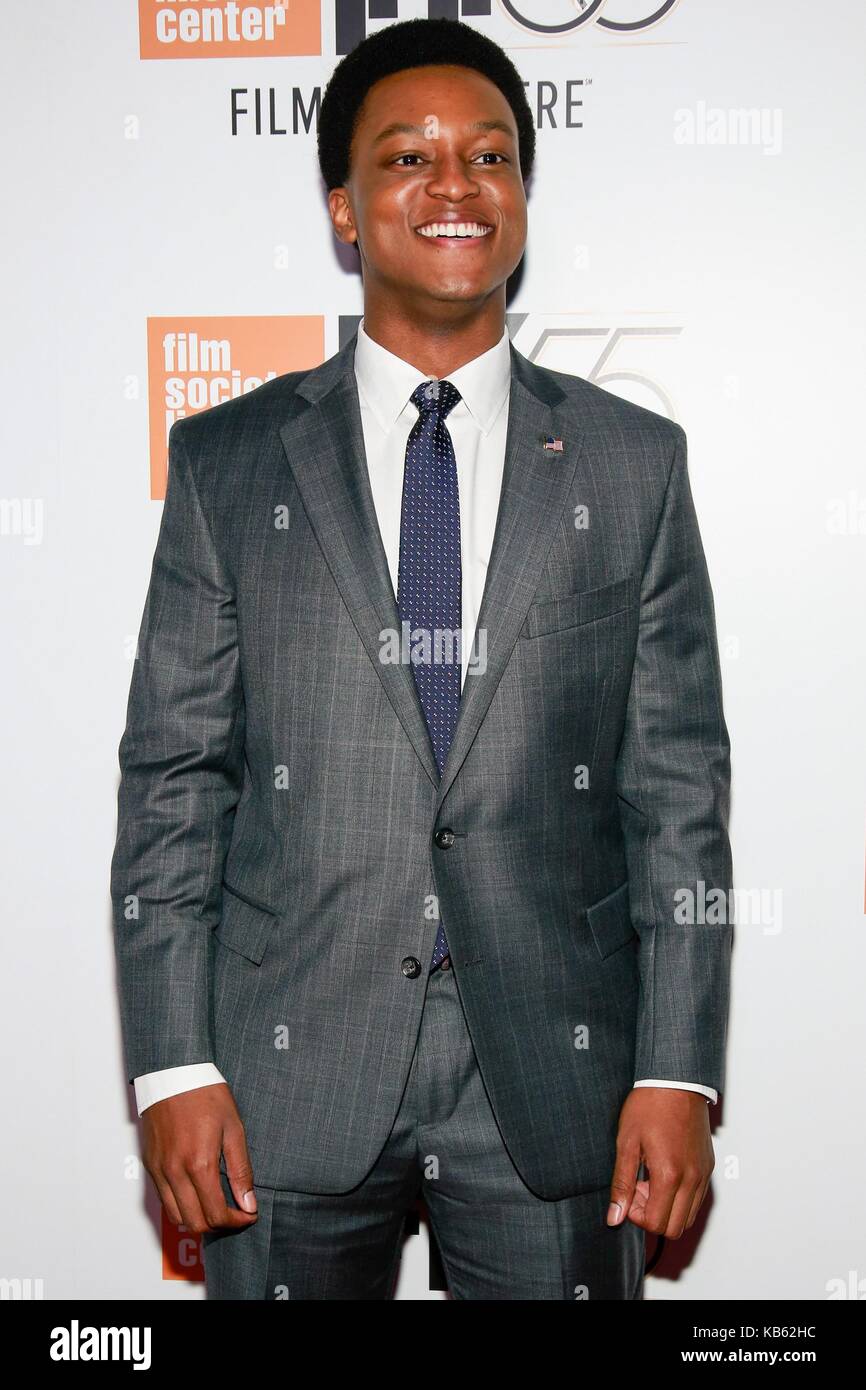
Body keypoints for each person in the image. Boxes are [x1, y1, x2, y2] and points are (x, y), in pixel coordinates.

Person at [110, 16, 733, 1301]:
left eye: (488, 155)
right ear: (344, 207)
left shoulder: (630, 466)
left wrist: (675, 1070)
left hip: (553, 1081)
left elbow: (674, 794)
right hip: (285, 1071)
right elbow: (175, 779)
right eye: (406, 158)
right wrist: (173, 1064)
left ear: (520, 194)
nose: (452, 185)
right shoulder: (230, 467)